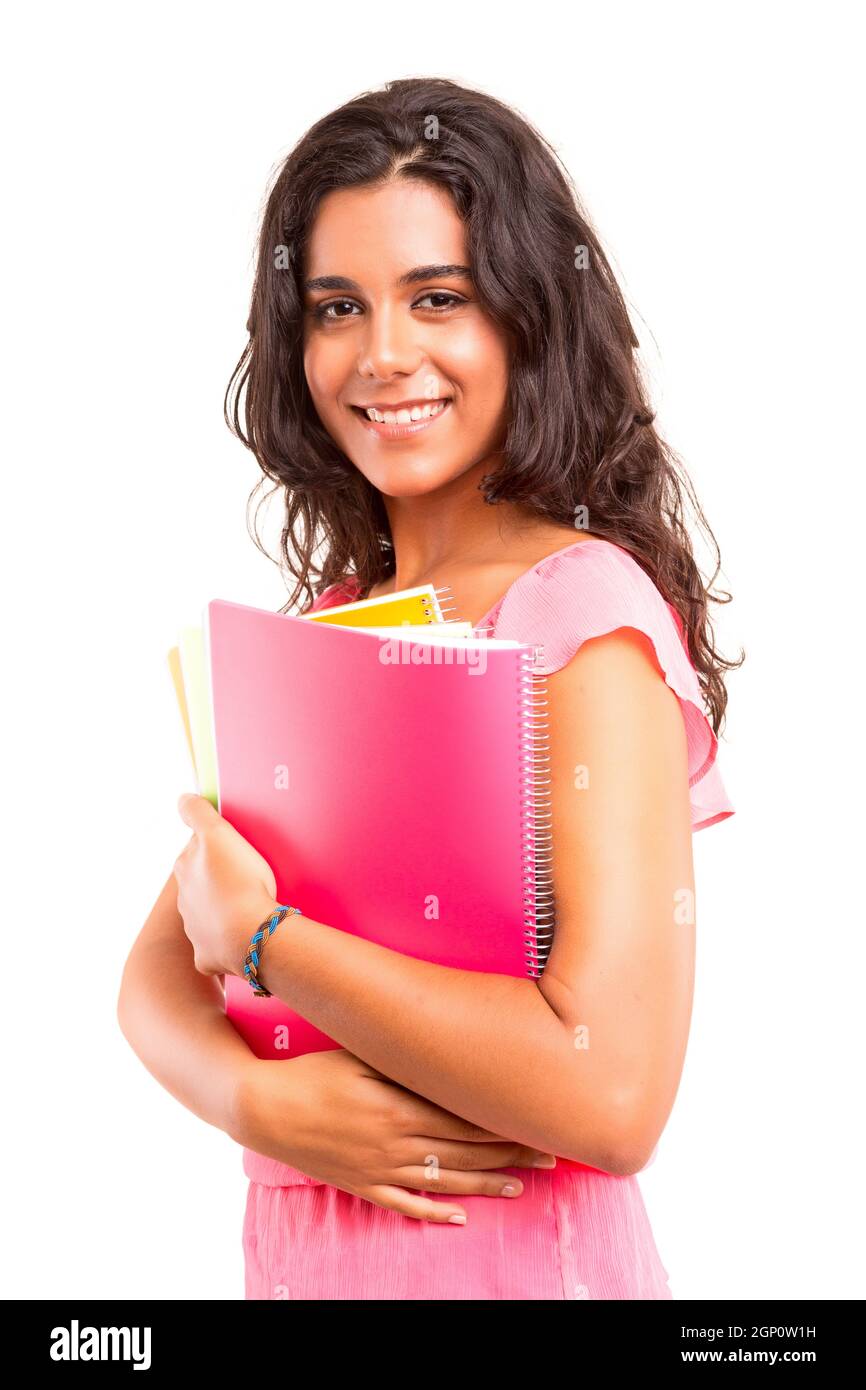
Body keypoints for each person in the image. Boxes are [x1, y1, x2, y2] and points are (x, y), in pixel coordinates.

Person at [117, 76, 740, 1300]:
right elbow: (155, 977)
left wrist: (271, 943)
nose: (383, 354)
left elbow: (614, 1097)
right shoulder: (333, 627)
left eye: (437, 297)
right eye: (336, 307)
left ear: (527, 317)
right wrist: (263, 1103)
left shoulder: (576, 616)